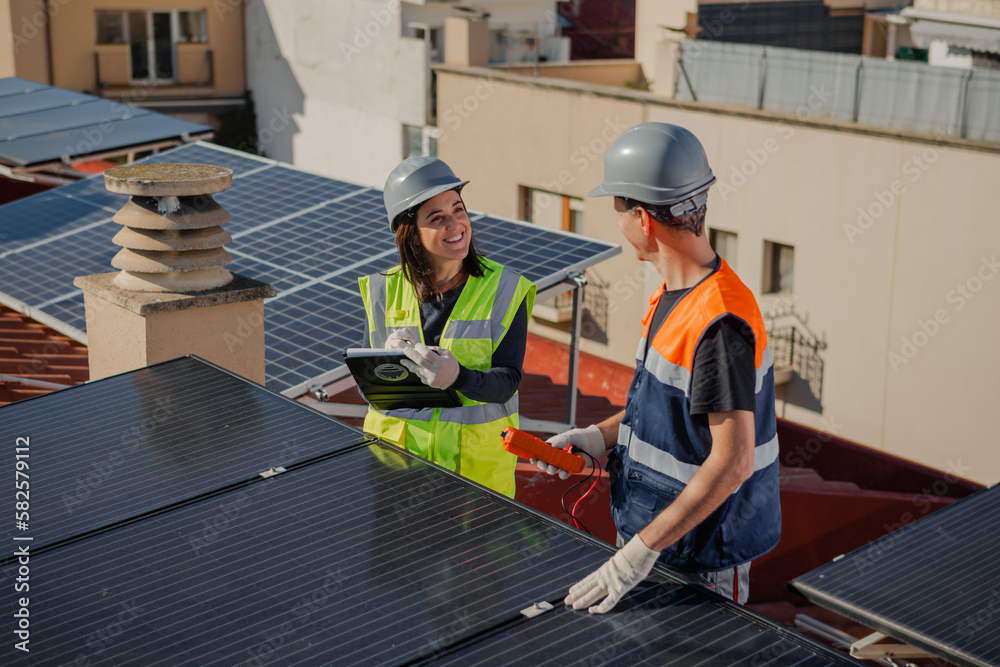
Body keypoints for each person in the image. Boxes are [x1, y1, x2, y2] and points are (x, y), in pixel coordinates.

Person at [535, 122, 780, 612]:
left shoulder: (719, 322)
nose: (618, 222)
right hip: (663, 544)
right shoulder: (673, 297)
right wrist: (594, 438)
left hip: (701, 560)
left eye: (617, 209)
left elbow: (734, 462)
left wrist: (638, 555)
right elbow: (662, 415)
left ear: (643, 218)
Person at [358, 157, 536, 498]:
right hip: (397, 476)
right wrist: (384, 363)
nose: (455, 224)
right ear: (409, 233)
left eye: (459, 209)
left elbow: (507, 383)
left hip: (473, 482)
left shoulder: (505, 289)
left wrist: (459, 378)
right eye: (437, 218)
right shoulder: (382, 290)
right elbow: (370, 391)